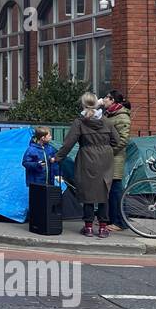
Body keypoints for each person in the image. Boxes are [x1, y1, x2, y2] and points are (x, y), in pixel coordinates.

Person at [52, 92, 119, 237]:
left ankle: (88, 227)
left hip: (86, 157)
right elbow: (116, 141)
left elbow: (68, 143)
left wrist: (57, 158)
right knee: (103, 193)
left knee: (87, 192)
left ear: (83, 104)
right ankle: (103, 227)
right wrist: (106, 151)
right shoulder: (107, 121)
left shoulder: (80, 122)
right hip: (105, 159)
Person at [102, 89, 133, 230]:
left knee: (116, 190)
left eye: (106, 98)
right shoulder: (110, 114)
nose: (104, 100)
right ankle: (109, 219)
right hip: (108, 158)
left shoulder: (122, 117)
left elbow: (123, 140)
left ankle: (120, 222)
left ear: (113, 100)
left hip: (115, 158)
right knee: (110, 190)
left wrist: (110, 152)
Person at [22, 127, 60, 224]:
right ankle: (35, 221)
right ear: (43, 138)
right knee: (36, 202)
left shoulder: (50, 149)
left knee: (47, 201)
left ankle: (45, 221)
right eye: (49, 135)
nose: (51, 137)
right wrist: (36, 165)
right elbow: (25, 163)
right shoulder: (31, 150)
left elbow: (55, 164)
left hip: (49, 181)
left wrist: (57, 174)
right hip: (36, 182)